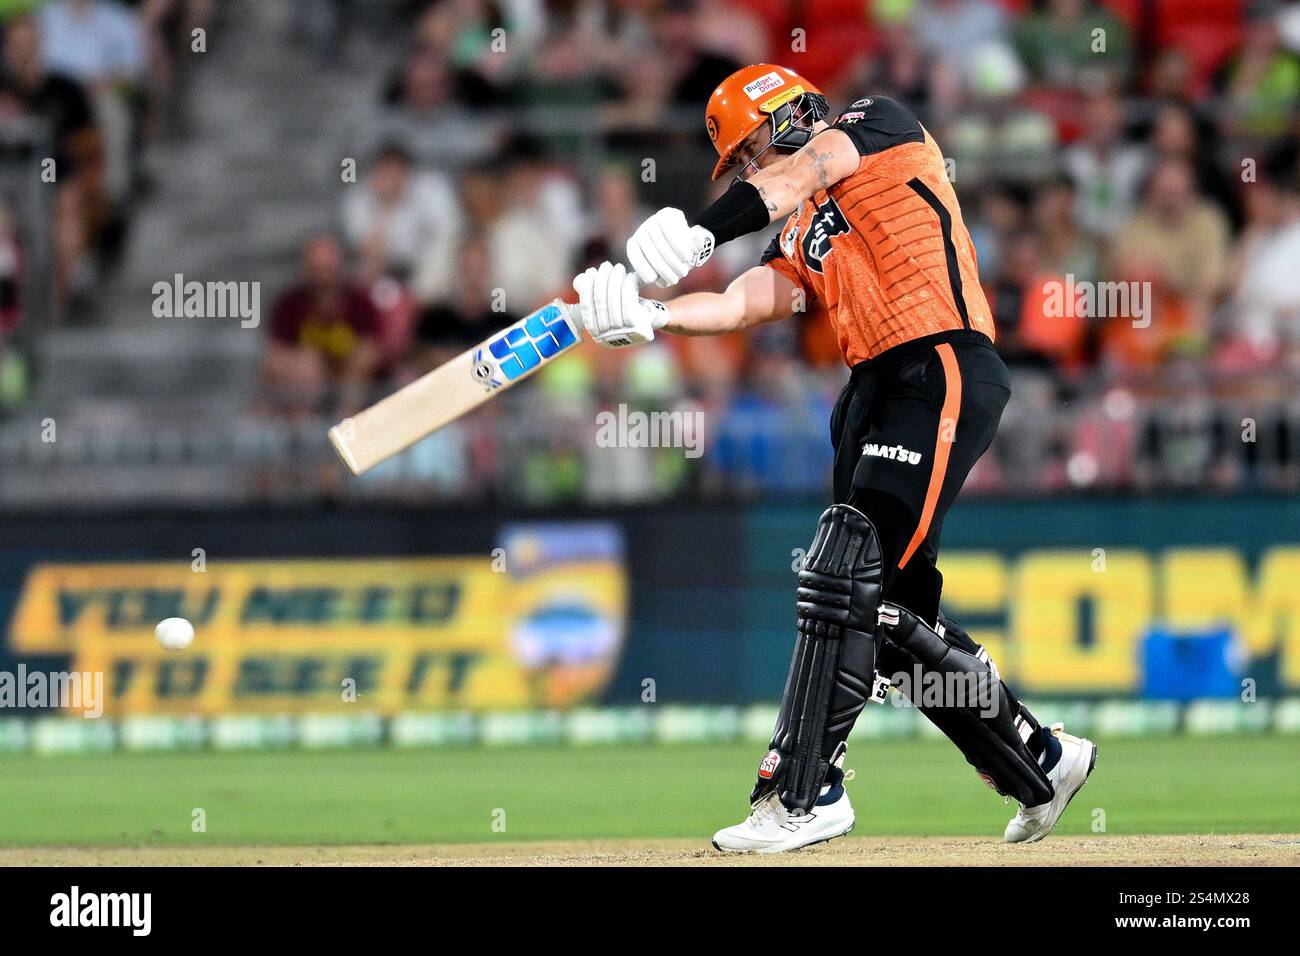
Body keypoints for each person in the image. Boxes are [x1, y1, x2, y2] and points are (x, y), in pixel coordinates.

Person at [572, 64, 1097, 853]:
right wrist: (652, 317)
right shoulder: (796, 218)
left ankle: (804, 790)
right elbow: (748, 299)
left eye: (747, 151)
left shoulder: (873, 123)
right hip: (874, 388)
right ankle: (1041, 763)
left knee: (845, 571)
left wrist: (703, 230)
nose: (748, 171)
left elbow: (806, 169)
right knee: (889, 616)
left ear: (784, 113)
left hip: (939, 362)